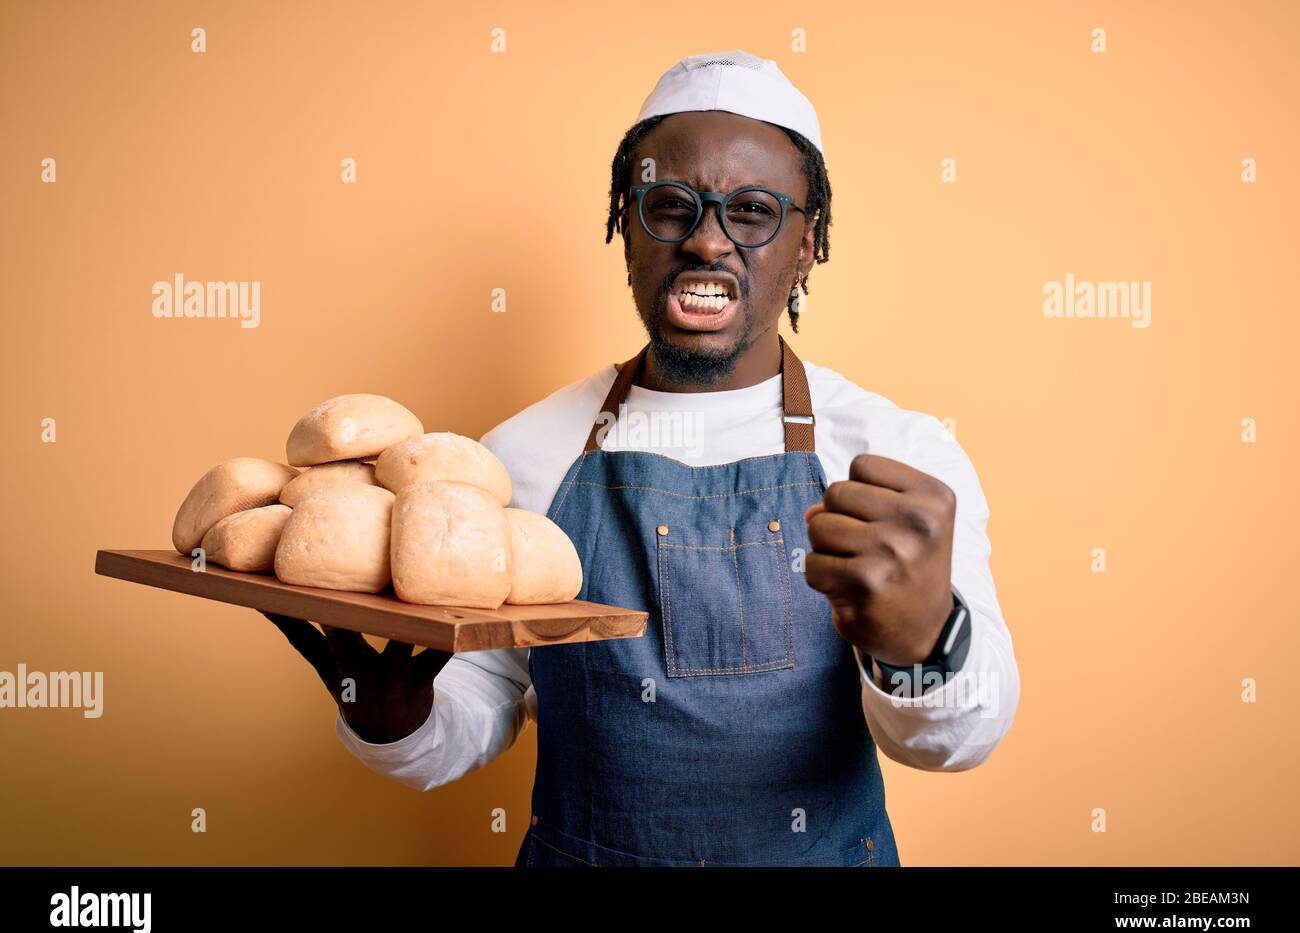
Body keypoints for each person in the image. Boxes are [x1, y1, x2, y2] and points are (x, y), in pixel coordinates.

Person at [265, 50, 1020, 867]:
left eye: (754, 211)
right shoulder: (523, 452)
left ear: (806, 246)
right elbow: (480, 700)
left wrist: (924, 647)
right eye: (670, 206)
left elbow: (959, 741)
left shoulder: (892, 459)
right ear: (627, 227)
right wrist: (394, 723)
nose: (707, 241)